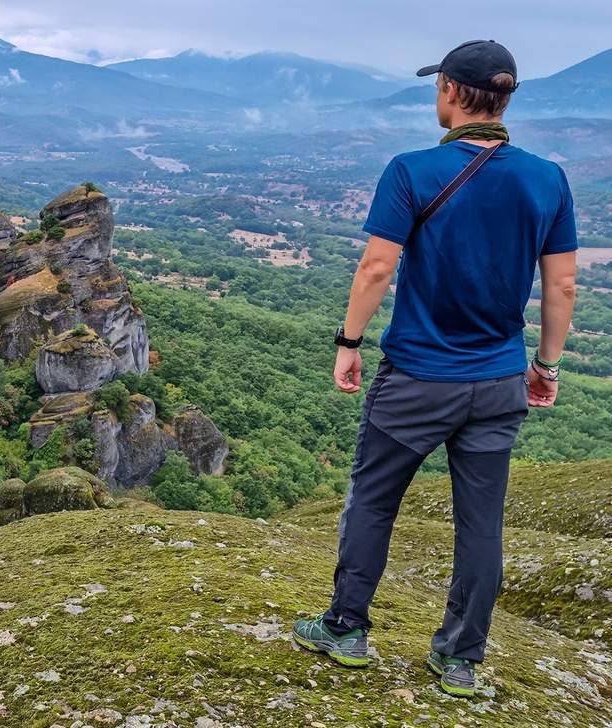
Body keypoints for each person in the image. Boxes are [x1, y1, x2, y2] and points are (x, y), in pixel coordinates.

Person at [291, 40, 579, 698]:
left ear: (449, 90)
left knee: (372, 501)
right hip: (498, 380)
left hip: (417, 376)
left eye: (437, 87)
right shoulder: (547, 178)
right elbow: (559, 289)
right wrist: (545, 366)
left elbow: (375, 267)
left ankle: (345, 628)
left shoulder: (411, 170)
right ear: (503, 98)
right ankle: (458, 659)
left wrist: (348, 342)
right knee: (481, 524)